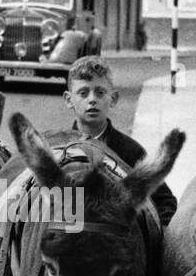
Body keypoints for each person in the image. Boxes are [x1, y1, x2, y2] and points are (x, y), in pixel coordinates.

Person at [61, 55, 178, 226]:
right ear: (68, 99)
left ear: (113, 99)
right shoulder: (58, 150)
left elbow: (165, 202)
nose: (92, 99)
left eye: (100, 92)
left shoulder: (130, 152)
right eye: (83, 93)